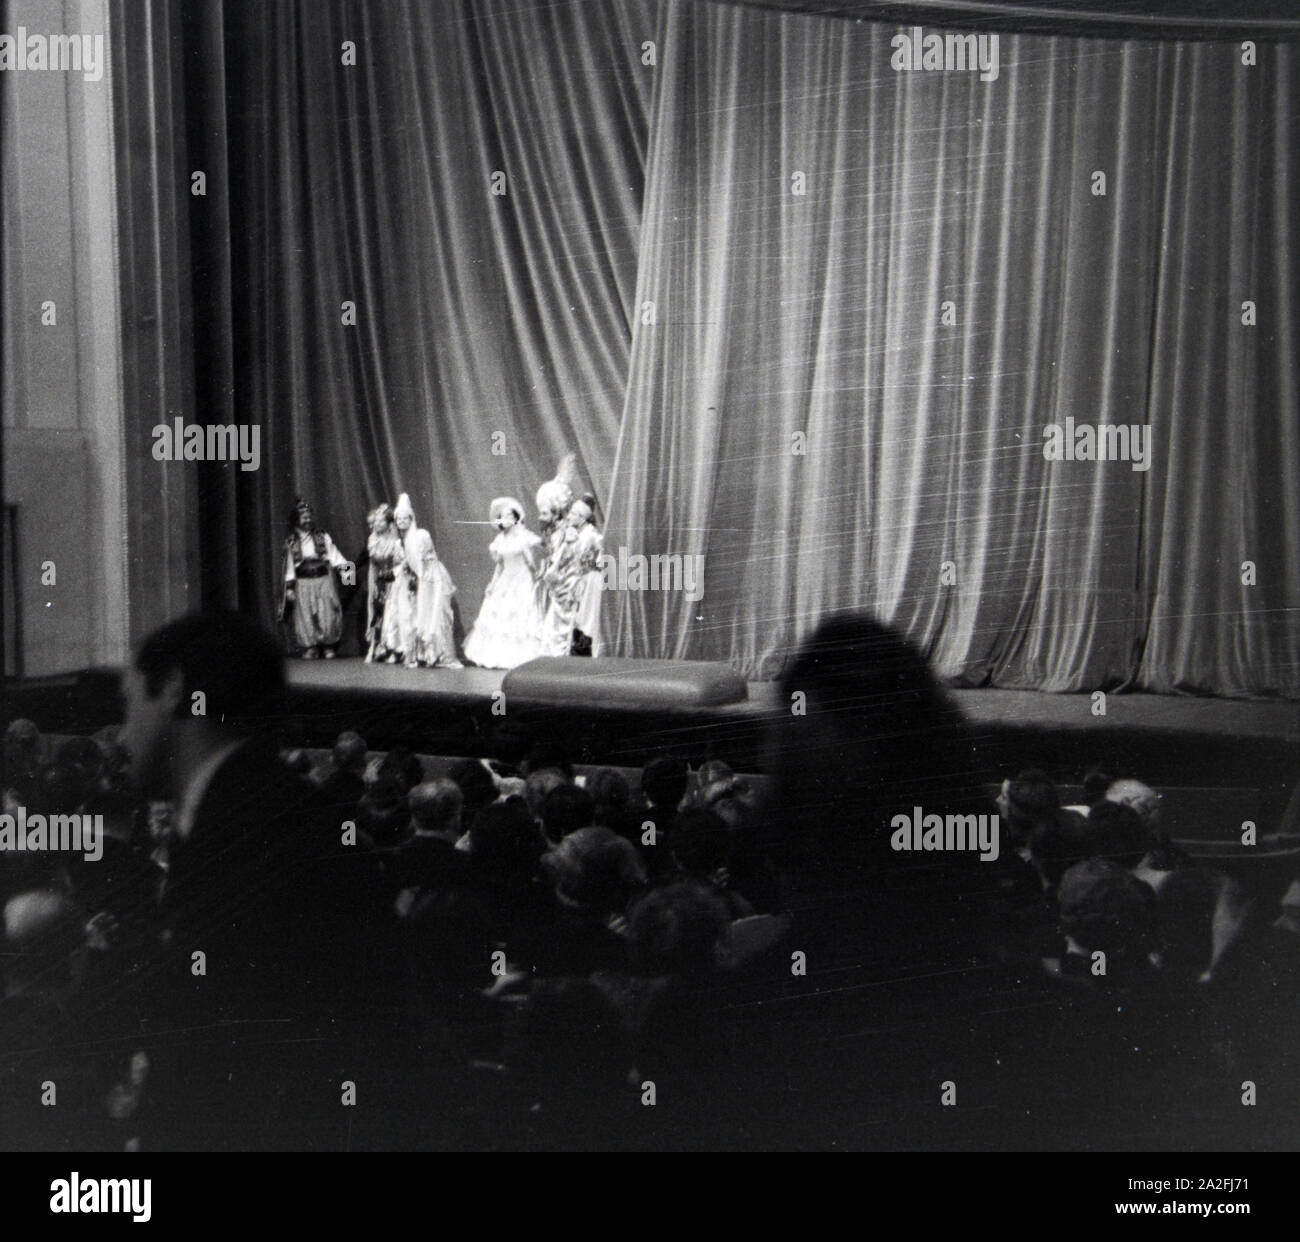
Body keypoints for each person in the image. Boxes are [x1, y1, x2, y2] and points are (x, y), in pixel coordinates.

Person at [116, 610, 376, 1149]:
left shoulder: (251, 835)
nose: (122, 735)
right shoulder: (272, 813)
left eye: (127, 706)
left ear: (172, 690)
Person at [463, 497, 545, 669]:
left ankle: (522, 656)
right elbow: (499, 566)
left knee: (519, 615)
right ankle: (497, 655)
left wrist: (536, 575)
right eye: (502, 517)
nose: (505, 520)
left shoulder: (524, 536)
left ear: (516, 518)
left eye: (509, 516)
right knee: (499, 615)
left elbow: (533, 559)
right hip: (506, 580)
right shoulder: (499, 540)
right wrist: (492, 584)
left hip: (522, 581)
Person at [276, 497, 351, 659]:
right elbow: (289, 566)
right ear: (297, 520)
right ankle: (311, 648)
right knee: (306, 615)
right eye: (304, 517)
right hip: (303, 582)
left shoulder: (322, 536)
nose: (308, 519)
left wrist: (349, 578)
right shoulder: (291, 542)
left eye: (310, 516)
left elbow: (335, 556)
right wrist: (289, 588)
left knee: (327, 613)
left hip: (323, 579)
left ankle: (328, 646)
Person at [534, 455, 584, 657]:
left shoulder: (565, 533)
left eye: (545, 513)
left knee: (564, 610)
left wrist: (553, 569)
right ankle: (555, 649)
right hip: (557, 580)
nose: (541, 517)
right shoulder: (552, 533)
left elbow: (562, 557)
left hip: (566, 578)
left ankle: (563, 649)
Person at [365, 503, 406, 663]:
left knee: (391, 610)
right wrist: (348, 578)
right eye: (375, 521)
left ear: (389, 524)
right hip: (376, 577)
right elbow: (359, 561)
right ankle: (375, 645)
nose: (377, 524)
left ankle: (391, 646)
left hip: (391, 577)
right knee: (376, 607)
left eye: (381, 521)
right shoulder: (372, 539)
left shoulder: (395, 539)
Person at [568, 495, 603, 656]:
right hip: (581, 579)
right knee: (579, 614)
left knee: (588, 615)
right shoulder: (577, 534)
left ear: (582, 518)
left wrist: (597, 563)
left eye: (574, 514)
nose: (570, 517)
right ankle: (578, 647)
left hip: (591, 579)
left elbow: (603, 547)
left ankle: (588, 649)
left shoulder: (591, 534)